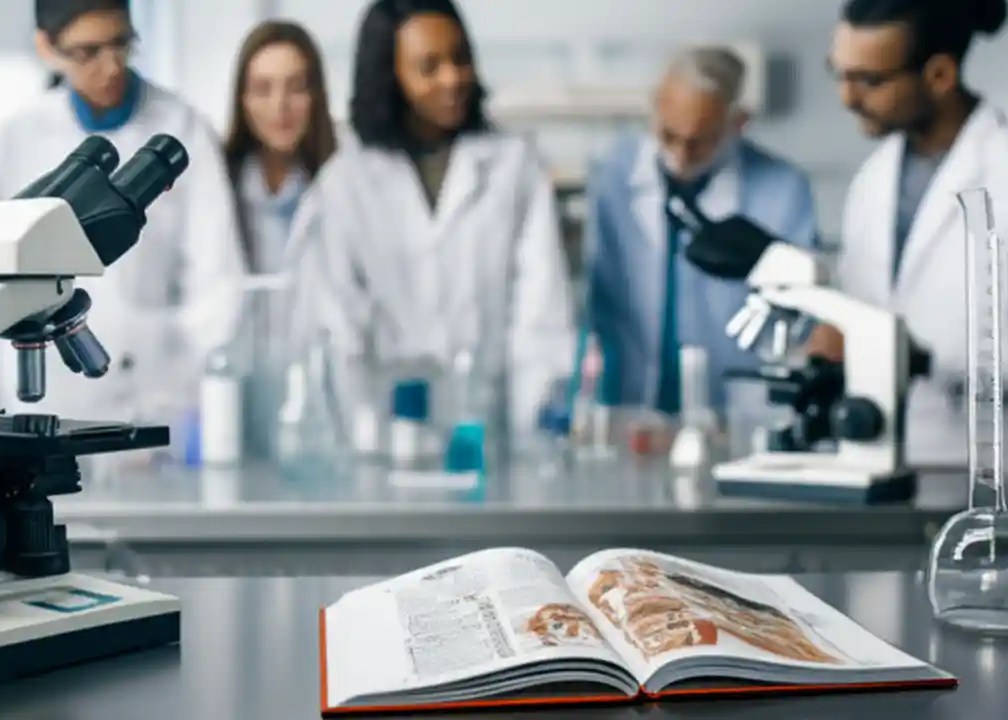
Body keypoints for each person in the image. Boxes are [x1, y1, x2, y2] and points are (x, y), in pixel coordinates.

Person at [285, 0, 574, 433]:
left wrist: (531, 435)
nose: (453, 78)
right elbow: (337, 328)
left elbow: (541, 320)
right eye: (429, 66)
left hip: (492, 430)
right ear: (390, 76)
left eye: (460, 58)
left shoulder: (514, 167)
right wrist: (365, 437)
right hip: (385, 432)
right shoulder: (347, 182)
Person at [0, 0, 246, 421]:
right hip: (46, 396)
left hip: (155, 396)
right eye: (89, 52)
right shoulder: (17, 138)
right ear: (47, 47)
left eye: (121, 44)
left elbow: (217, 282)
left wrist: (178, 399)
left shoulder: (183, 126)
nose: (112, 66)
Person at [814, 0, 1008, 466]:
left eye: (868, 80)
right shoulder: (873, 178)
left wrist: (924, 360)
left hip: (995, 468)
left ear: (940, 75)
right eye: (839, 73)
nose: (847, 97)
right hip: (888, 456)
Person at [587, 47, 819, 415]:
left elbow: (798, 317)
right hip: (630, 403)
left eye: (698, 142)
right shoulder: (612, 174)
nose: (680, 156)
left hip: (736, 408)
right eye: (668, 135)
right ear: (656, 106)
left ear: (737, 123)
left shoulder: (782, 190)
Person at [223, 20, 337, 275]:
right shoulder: (218, 180)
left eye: (296, 87)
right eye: (263, 89)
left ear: (315, 95)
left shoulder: (344, 179)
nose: (279, 105)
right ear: (242, 99)